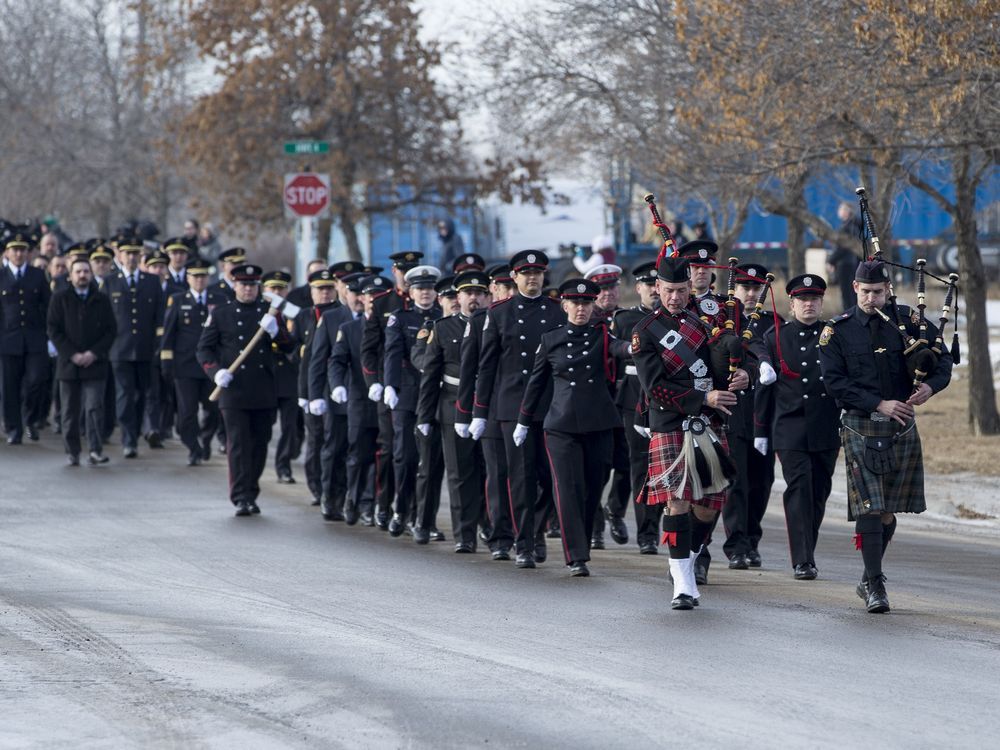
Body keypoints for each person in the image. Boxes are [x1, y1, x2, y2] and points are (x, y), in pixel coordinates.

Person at [819, 258, 952, 613]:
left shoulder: (909, 321)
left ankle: (867, 576)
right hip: (861, 425)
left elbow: (943, 361)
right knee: (870, 506)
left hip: (901, 427)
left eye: (878, 292)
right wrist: (880, 403)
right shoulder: (838, 330)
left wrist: (930, 390)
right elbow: (835, 383)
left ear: (887, 289)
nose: (872, 299)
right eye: (866, 292)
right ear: (855, 289)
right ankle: (876, 584)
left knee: (888, 511)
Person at [632, 255, 749, 610]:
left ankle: (691, 551)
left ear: (690, 289)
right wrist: (705, 397)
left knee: (710, 503)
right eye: (668, 290)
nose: (674, 297)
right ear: (657, 288)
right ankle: (682, 583)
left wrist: (742, 376)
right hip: (669, 421)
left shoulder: (709, 322)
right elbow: (656, 388)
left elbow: (728, 363)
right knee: (677, 499)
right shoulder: (646, 331)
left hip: (711, 420)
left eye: (681, 290)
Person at [516, 278, 630, 576]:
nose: (581, 309)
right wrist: (523, 421)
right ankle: (576, 556)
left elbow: (619, 349)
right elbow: (536, 383)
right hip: (562, 426)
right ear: (564, 305)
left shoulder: (602, 334)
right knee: (567, 489)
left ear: (593, 306)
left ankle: (584, 544)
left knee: (593, 489)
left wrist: (634, 346)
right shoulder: (551, 339)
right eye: (576, 304)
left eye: (586, 303)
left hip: (599, 423)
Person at [472, 250, 566, 568]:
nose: (532, 277)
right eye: (525, 273)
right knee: (521, 478)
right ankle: (524, 543)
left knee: (552, 477)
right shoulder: (499, 314)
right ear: (514, 277)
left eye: (537, 272)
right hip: (512, 407)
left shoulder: (557, 311)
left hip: (550, 405)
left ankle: (537, 529)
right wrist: (478, 411)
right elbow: (487, 367)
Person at [755, 274, 840, 579]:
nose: (809, 305)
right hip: (789, 427)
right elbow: (765, 389)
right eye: (803, 300)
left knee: (818, 493)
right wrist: (760, 430)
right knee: (799, 488)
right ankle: (802, 560)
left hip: (826, 426)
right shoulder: (775, 337)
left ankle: (808, 550)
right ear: (791, 304)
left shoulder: (834, 335)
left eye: (814, 300)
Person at [197, 263, 295, 516]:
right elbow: (204, 349)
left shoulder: (269, 312)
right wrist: (215, 371)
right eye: (243, 284)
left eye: (252, 285)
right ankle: (241, 495)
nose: (248, 289)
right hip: (234, 390)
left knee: (260, 443)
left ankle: (252, 491)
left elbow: (288, 347)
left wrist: (276, 332)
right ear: (235, 286)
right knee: (239, 444)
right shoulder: (221, 313)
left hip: (263, 388)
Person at [417, 270, 490, 552]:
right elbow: (430, 375)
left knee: (491, 473)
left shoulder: (494, 323)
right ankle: (465, 534)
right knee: (460, 475)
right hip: (451, 406)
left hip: (489, 406)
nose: (473, 298)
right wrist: (424, 416)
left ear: (487, 296)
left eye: (479, 293)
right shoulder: (443, 328)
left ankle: (493, 529)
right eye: (468, 293)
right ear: (458, 297)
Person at [455, 263, 516, 560]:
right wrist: (466, 413)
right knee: (497, 473)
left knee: (534, 474)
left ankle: (527, 531)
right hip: (490, 407)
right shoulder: (481, 320)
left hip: (526, 407)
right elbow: (469, 371)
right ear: (494, 289)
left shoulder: (531, 315)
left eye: (512, 286)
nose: (509, 293)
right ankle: (500, 535)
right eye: (503, 287)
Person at [383, 265, 443, 540]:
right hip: (408, 396)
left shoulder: (444, 318)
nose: (425, 293)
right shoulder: (400, 318)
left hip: (436, 397)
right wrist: (390, 385)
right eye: (420, 288)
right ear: (410, 291)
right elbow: (393, 353)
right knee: (405, 458)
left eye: (430, 288)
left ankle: (425, 519)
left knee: (429, 463)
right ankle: (401, 510)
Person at [362, 251, 421, 528]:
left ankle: (412, 511)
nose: (407, 277)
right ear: (394, 271)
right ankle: (384, 503)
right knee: (390, 449)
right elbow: (370, 348)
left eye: (413, 271)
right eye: (403, 271)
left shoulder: (424, 302)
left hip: (420, 386)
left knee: (418, 453)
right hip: (391, 386)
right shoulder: (383, 302)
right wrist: (374, 381)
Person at [609, 261, 662, 554]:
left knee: (659, 467)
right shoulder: (625, 320)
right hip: (631, 399)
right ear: (638, 288)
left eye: (659, 285)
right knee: (639, 466)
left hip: (665, 399)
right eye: (649, 285)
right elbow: (612, 355)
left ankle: (653, 526)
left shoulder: (672, 319)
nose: (655, 290)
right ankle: (647, 534)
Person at [331, 275, 390, 526]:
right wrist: (337, 386)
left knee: (382, 455)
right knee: (358, 454)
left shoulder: (391, 324)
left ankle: (371, 503)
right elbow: (337, 360)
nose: (373, 302)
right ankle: (352, 499)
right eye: (370, 297)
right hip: (359, 399)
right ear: (364, 299)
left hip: (387, 401)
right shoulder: (350, 329)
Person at [46, 256, 117, 465]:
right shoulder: (60, 298)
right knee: (69, 411)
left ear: (91, 274)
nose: (82, 275)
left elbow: (110, 331)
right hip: (69, 364)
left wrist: (93, 353)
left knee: (94, 407)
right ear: (70, 276)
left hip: (95, 363)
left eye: (86, 271)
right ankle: (73, 451)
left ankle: (95, 449)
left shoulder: (101, 299)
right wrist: (72, 353)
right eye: (78, 272)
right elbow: (53, 329)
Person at [583, 263, 630, 549]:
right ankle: (596, 523)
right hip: (598, 402)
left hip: (627, 402)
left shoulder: (626, 319)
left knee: (627, 464)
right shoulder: (587, 321)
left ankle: (615, 510)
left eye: (613, 287)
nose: (609, 293)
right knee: (598, 469)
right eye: (602, 288)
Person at [104, 236, 164, 457]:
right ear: (120, 255)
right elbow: (104, 317)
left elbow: (159, 317)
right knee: (125, 395)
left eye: (135, 254)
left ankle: (136, 430)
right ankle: (129, 440)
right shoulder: (111, 282)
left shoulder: (151, 281)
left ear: (141, 256)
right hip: (119, 349)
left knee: (141, 396)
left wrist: (158, 345)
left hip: (145, 349)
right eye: (127, 253)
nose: (131, 258)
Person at [160, 259, 222, 466]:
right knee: (187, 413)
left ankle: (205, 438)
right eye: (195, 276)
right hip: (185, 366)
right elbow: (168, 334)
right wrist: (166, 362)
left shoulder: (218, 299)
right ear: (188, 278)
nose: (199, 280)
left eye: (203, 276)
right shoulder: (177, 300)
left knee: (213, 410)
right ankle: (193, 448)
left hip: (211, 366)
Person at [0, 228, 51, 444]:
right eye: (15, 250)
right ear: (7, 253)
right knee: (9, 387)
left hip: (34, 339)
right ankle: (13, 428)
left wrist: (49, 337)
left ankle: (29, 418)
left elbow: (48, 307)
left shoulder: (37, 275)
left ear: (29, 253)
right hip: (7, 340)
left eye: (23, 250)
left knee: (35, 381)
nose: (19, 254)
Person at [260, 271, 302, 484]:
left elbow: (299, 341)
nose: (276, 293)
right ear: (264, 290)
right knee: (264, 426)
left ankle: (283, 466)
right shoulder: (257, 312)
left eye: (280, 289)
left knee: (289, 426)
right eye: (272, 288)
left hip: (288, 374)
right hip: (265, 375)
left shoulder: (294, 313)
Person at [828, 202, 864, 311]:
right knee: (850, 294)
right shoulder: (853, 226)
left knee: (847, 294)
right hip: (851, 263)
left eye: (841, 209)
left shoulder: (847, 228)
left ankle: (849, 317)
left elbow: (843, 248)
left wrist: (831, 261)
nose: (839, 211)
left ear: (847, 212)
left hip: (845, 264)